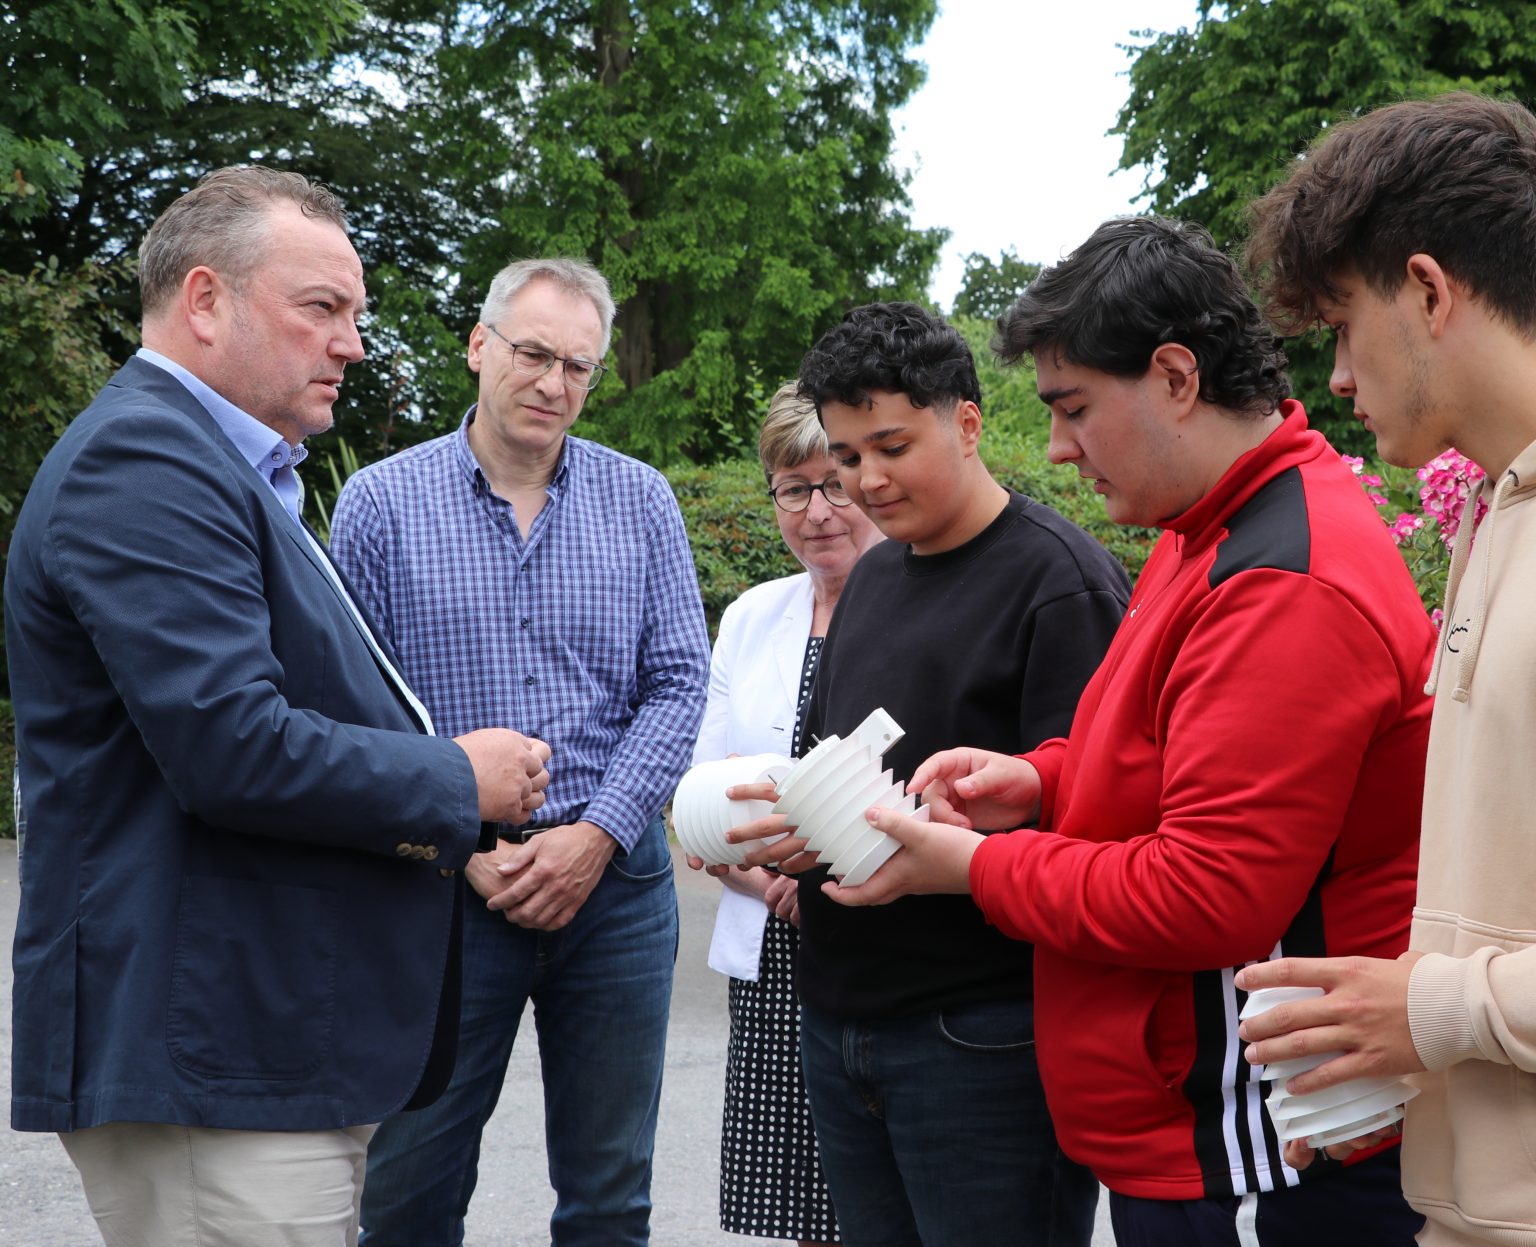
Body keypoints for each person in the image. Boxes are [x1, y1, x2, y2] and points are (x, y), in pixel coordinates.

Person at [815, 217, 1437, 1246]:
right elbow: (1176, 763)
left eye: (1073, 408)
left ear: (1176, 377)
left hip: (1250, 1143)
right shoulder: (1214, 530)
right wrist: (1042, 779)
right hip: (1192, 1131)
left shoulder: (1280, 579)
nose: (1058, 446)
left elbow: (1207, 894)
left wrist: (973, 864)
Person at [5, 166, 551, 1247]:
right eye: (323, 308)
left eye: (356, 313)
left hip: (247, 1051)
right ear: (205, 301)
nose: (352, 342)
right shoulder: (145, 460)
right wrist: (457, 778)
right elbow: (232, 746)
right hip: (213, 1057)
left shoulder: (226, 465)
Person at [329, 256, 710, 1246]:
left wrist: (596, 835)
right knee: (412, 1187)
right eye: (533, 352)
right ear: (479, 345)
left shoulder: (641, 500)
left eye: (577, 365)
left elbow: (677, 686)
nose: (552, 382)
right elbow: (351, 703)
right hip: (445, 887)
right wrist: (463, 842)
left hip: (616, 890)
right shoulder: (379, 502)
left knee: (610, 1195)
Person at [736, 301, 1128, 1246]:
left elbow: (1099, 831)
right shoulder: (873, 577)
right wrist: (791, 829)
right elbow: (840, 768)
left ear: (967, 420)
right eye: (845, 457)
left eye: (891, 446)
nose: (866, 481)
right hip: (837, 1021)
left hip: (984, 1037)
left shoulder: (1062, 583)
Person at [1234, 92, 1536, 1247]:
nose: (1340, 380)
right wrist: (1382, 1046)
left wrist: (1427, 1005)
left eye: (1343, 326)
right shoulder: (1490, 511)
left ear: (1427, 288)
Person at [691, 382, 884, 1245]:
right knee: (805, 1204)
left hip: (885, 935)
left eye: (833, 482)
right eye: (792, 487)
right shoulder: (751, 616)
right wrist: (772, 882)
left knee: (886, 1199)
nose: (816, 510)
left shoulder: (920, 604)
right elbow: (703, 790)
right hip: (772, 952)